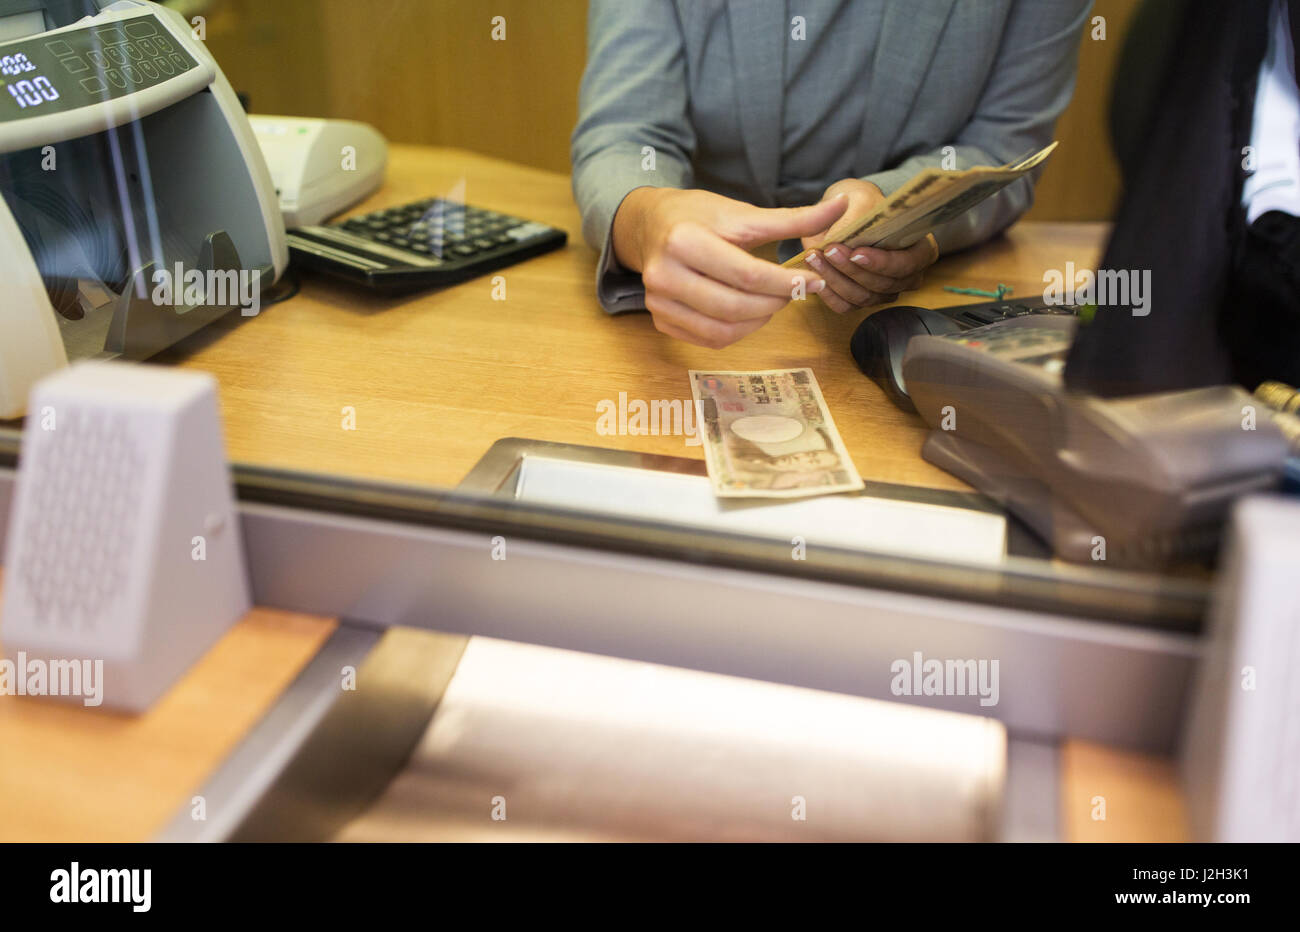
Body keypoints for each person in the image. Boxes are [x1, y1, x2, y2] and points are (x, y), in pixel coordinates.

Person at [571, 0, 1090, 347]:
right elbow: (624, 134)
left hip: (896, 319)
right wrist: (648, 222)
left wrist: (895, 212)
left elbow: (1007, 149)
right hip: (692, 310)